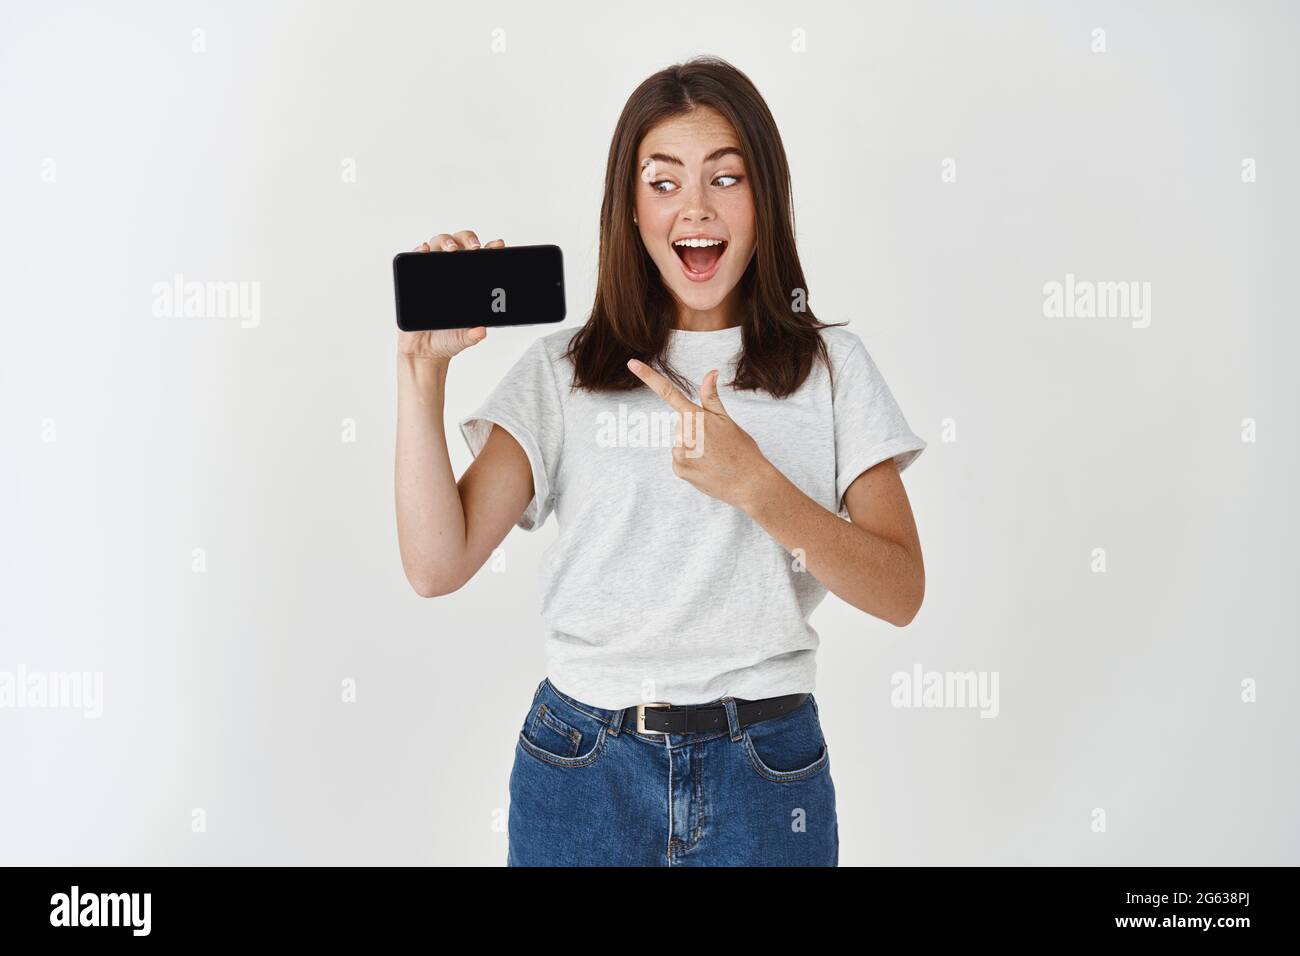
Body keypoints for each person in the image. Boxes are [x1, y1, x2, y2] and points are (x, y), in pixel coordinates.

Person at [394, 55, 926, 866]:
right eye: (664, 182)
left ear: (765, 201)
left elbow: (900, 591)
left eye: (726, 178)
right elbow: (436, 564)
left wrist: (757, 486)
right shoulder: (563, 370)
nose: (696, 208)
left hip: (767, 771)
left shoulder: (831, 370)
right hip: (584, 769)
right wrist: (421, 376)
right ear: (631, 209)